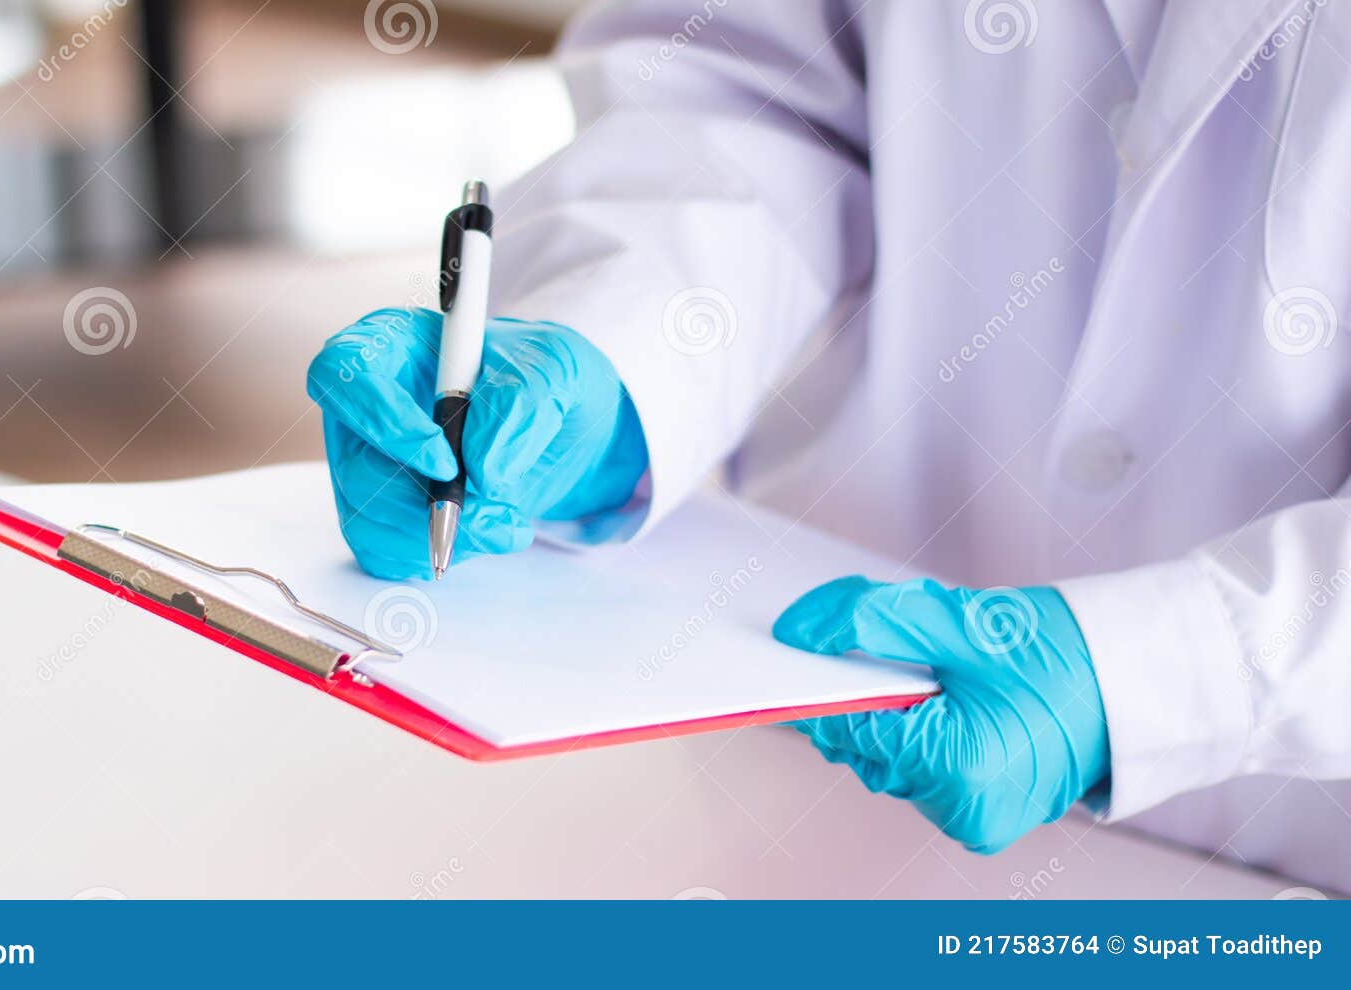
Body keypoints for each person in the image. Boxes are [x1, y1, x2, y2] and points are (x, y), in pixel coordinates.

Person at [308, 0, 1351, 891]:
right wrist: (619, 358)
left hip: (1301, 845)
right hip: (815, 746)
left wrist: (1195, 666)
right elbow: (740, 85)